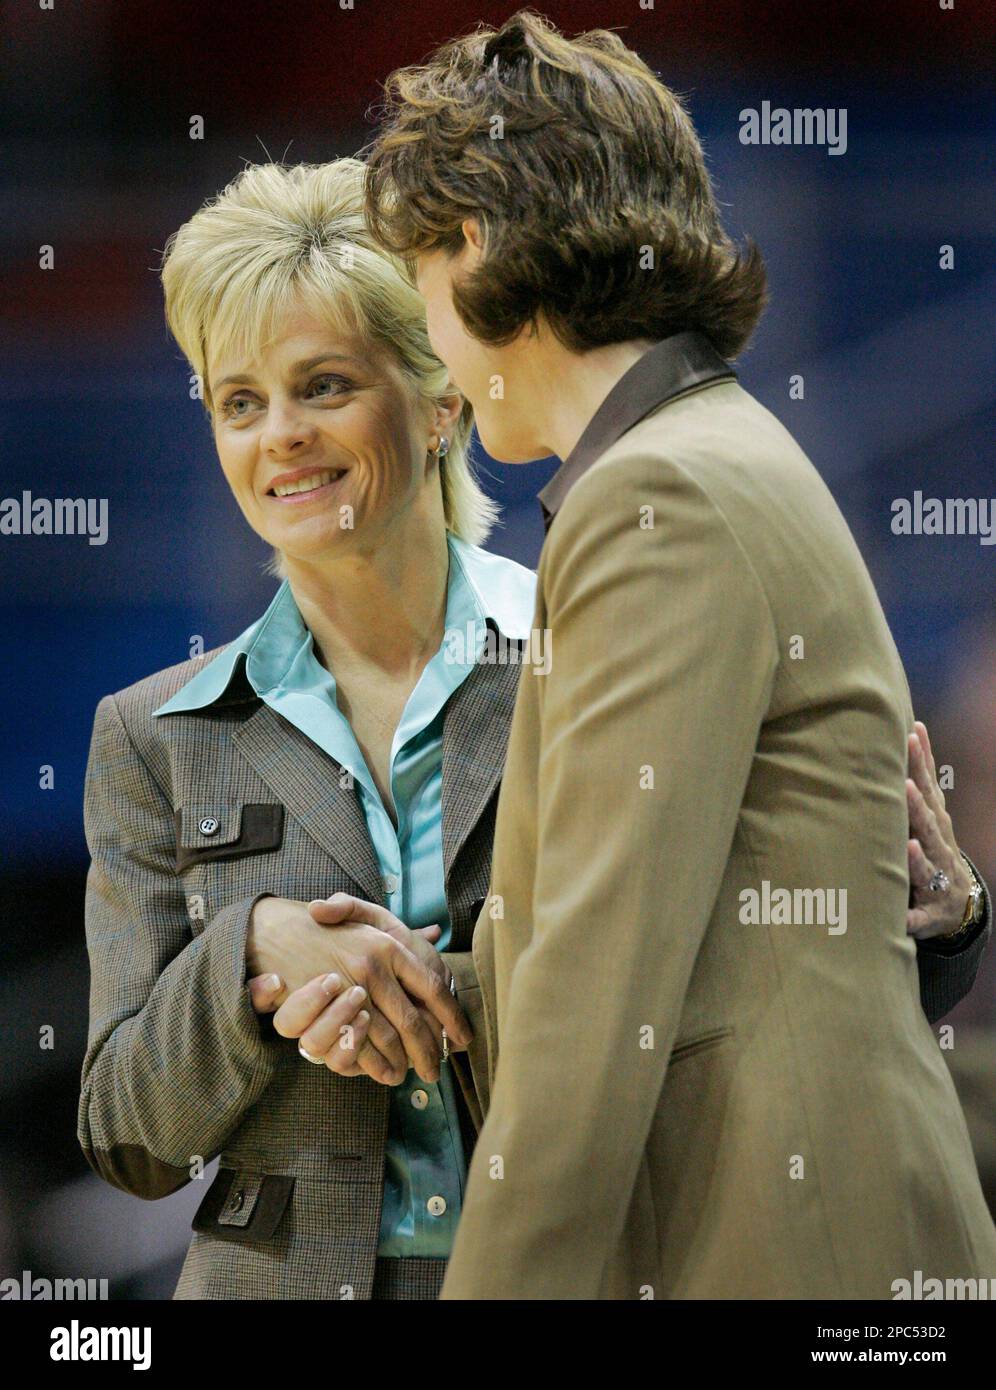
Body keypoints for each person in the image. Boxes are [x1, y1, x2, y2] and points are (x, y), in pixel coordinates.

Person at [342, 11, 995, 1297]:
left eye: (417, 282)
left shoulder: (661, 500)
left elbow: (596, 1011)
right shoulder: (698, 458)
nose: (432, 352)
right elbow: (661, 943)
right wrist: (416, 979)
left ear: (473, 243)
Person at [77, 157, 537, 1300]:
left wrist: (391, 988)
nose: (278, 434)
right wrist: (252, 952)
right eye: (240, 401)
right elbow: (128, 1136)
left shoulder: (588, 658)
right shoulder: (151, 733)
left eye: (322, 384)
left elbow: (680, 1000)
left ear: (440, 402)